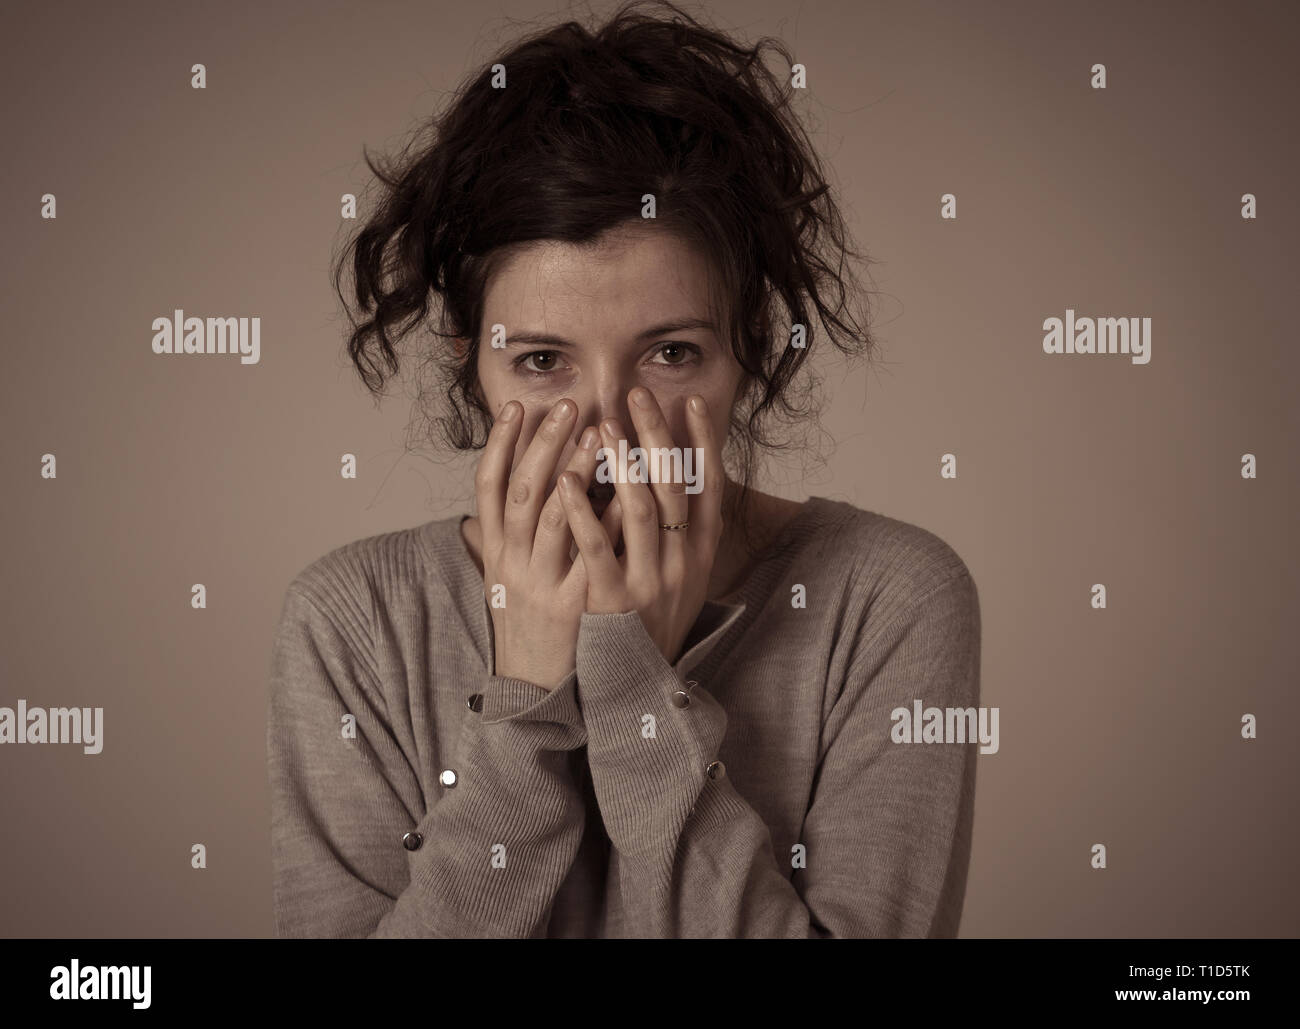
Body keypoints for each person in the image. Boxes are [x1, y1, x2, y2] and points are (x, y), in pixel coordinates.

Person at [266, 0, 981, 938]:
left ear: (749, 351)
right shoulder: (352, 621)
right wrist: (525, 705)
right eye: (540, 360)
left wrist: (636, 686)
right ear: (467, 365)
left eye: (670, 353)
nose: (606, 428)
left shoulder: (886, 598)